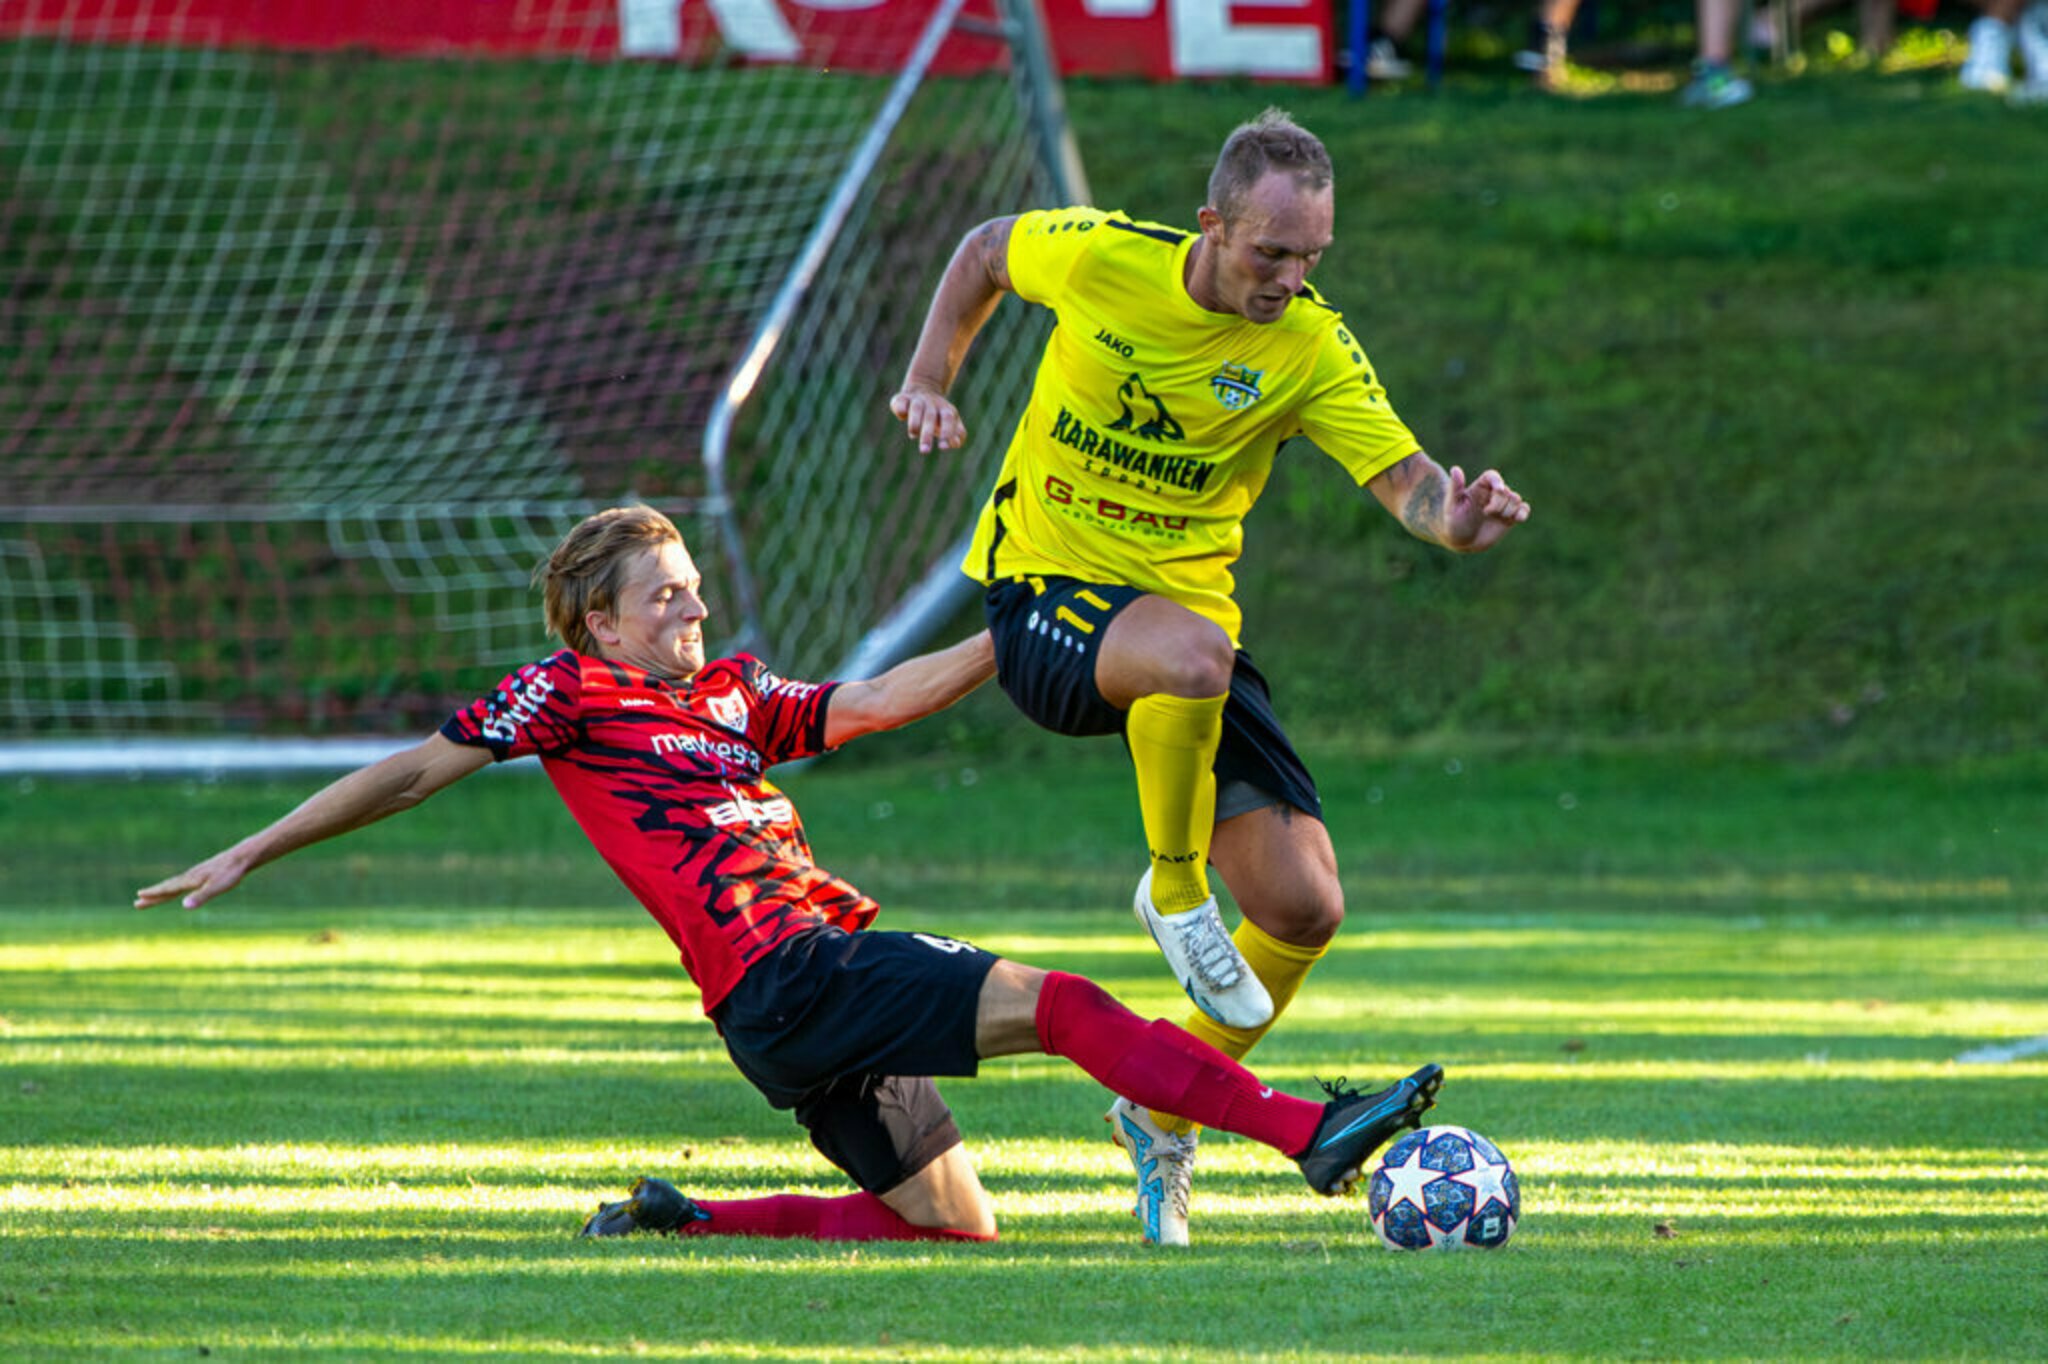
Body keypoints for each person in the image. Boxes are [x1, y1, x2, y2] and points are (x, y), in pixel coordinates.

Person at [134, 505, 1444, 1245]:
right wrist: (255, 847)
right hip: (793, 965)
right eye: (667, 598)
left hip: (774, 1011)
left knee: (958, 1234)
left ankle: (686, 1222)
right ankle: (1301, 1132)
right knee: (1062, 1005)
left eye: (694, 590)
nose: (692, 612)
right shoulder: (568, 694)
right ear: (601, 622)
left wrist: (1015, 629)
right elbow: (414, 772)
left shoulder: (728, 690)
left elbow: (870, 702)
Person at [887, 110, 1526, 1245]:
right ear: (1211, 225)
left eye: (1310, 258)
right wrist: (932, 372)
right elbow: (987, 249)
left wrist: (1456, 520)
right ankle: (1171, 890)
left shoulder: (1308, 348)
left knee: (1299, 904)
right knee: (1191, 652)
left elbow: (1407, 483)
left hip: (1186, 640)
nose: (1288, 278)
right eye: (1268, 253)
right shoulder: (1104, 258)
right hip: (1042, 594)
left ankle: (1156, 1106)